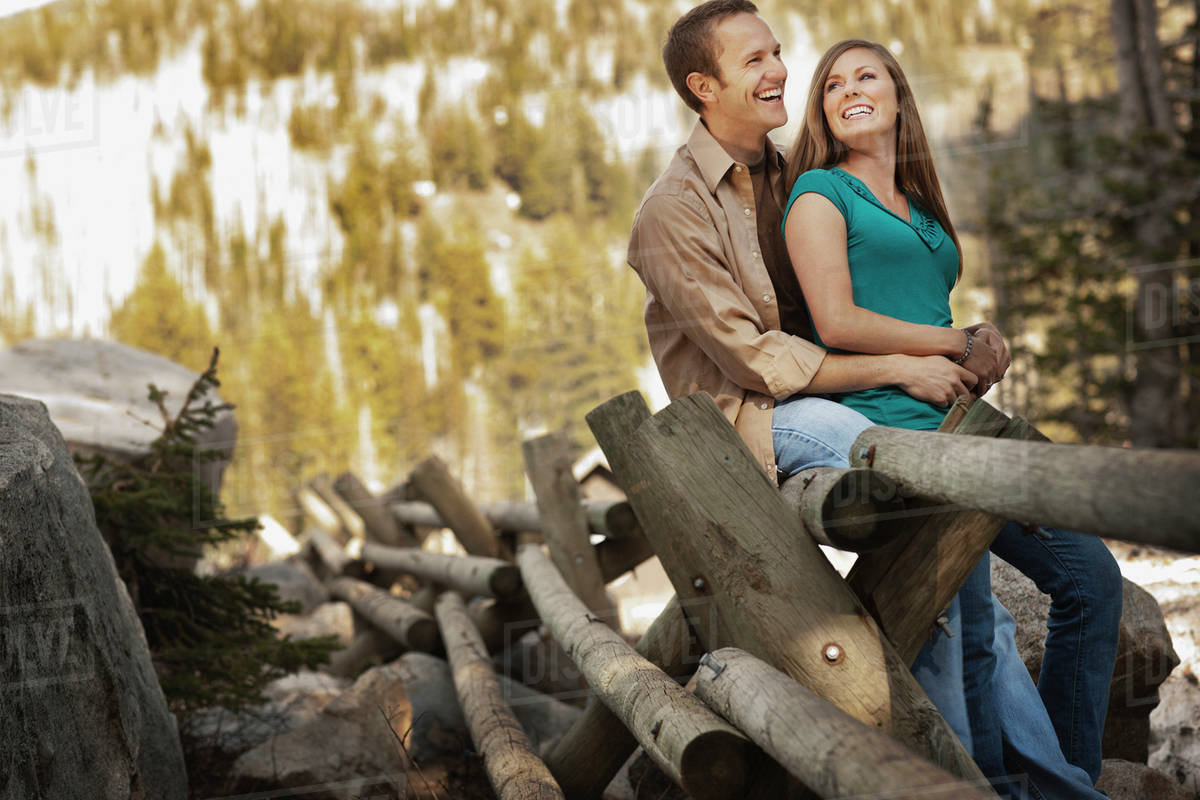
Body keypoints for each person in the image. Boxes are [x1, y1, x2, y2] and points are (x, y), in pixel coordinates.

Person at [780, 39, 1121, 797]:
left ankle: (1069, 778)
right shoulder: (818, 193)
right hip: (894, 437)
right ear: (824, 111)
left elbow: (917, 310)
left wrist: (975, 340)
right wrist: (956, 339)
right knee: (966, 630)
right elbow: (836, 320)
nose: (848, 90)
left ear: (900, 96)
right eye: (832, 84)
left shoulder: (924, 207)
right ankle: (997, 787)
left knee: (1093, 580)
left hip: (968, 429)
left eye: (866, 75)